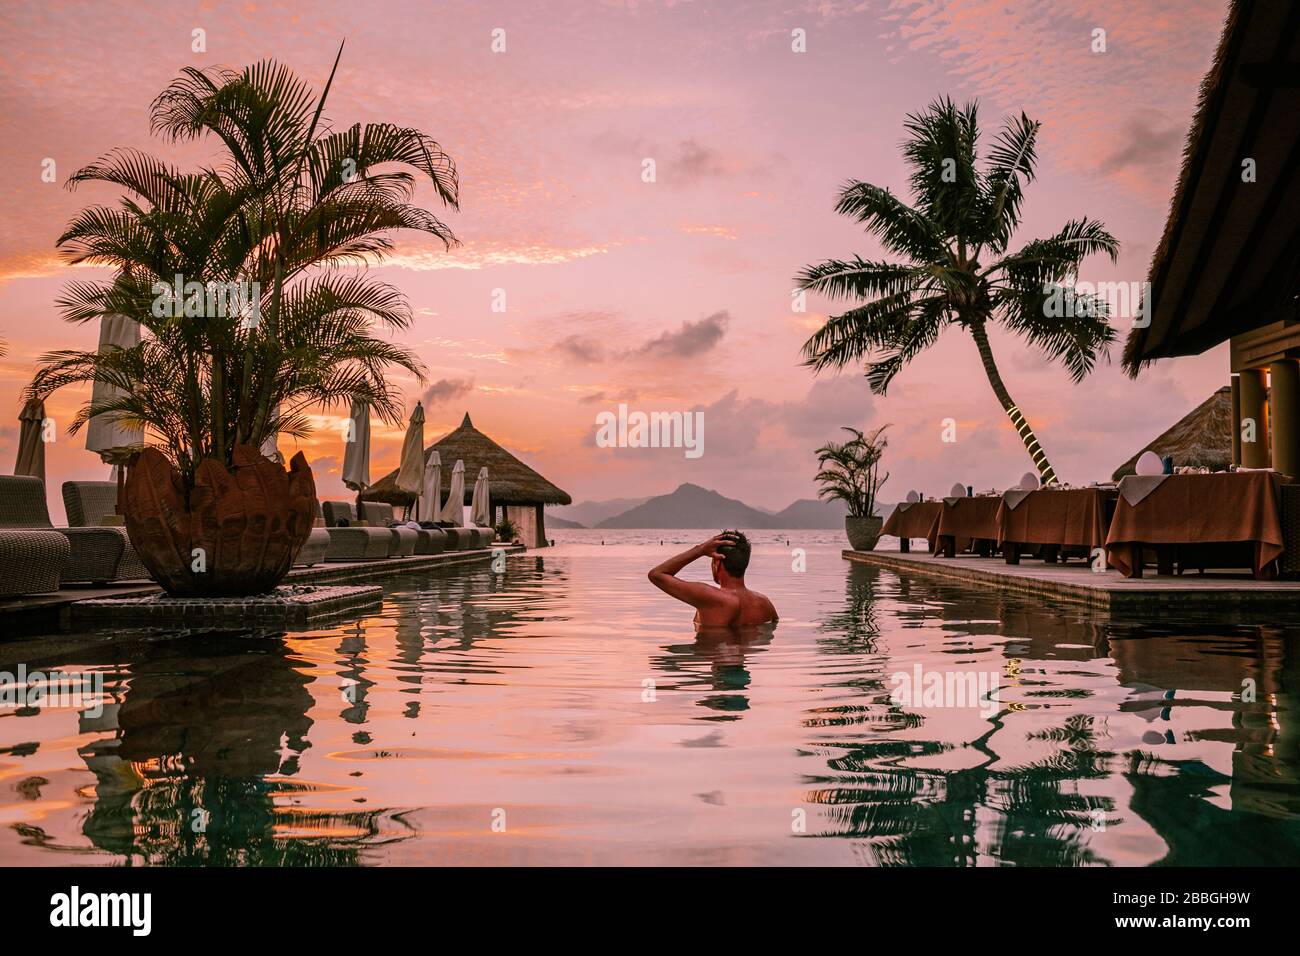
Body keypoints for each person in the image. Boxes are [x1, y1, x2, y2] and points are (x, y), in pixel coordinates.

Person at [647, 530, 778, 628]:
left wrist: (700, 550)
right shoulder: (765, 604)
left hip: (713, 653)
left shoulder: (711, 598)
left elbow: (656, 574)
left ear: (717, 563)